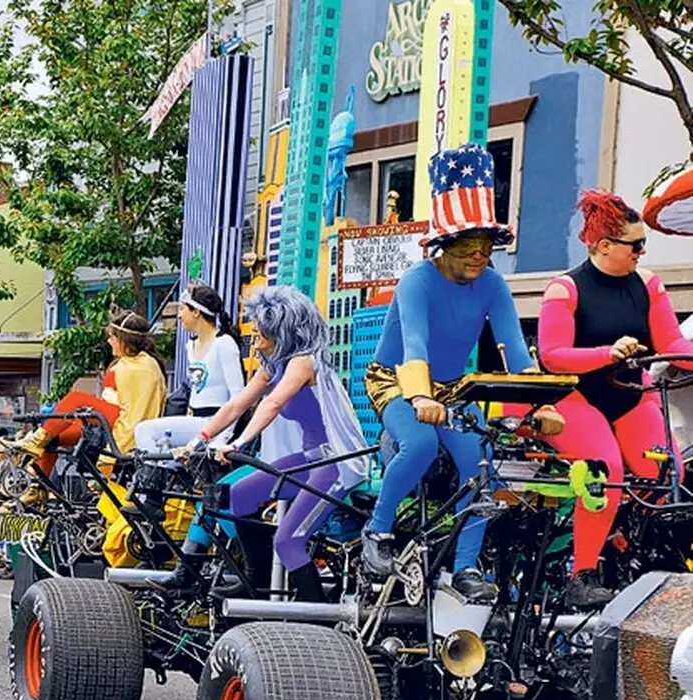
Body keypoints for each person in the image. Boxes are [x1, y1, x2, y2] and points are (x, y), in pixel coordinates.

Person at [358, 142, 563, 602]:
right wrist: (418, 398)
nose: (479, 257)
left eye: (486, 248)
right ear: (444, 246)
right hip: (397, 378)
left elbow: (517, 352)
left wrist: (543, 405)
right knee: (420, 442)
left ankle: (466, 566)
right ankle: (377, 531)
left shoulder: (493, 284)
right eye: (469, 247)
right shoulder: (416, 281)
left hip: (450, 388)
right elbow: (415, 344)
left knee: (482, 463)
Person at [155, 287, 367, 599]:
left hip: (335, 463)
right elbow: (235, 405)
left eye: (259, 333)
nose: (253, 340)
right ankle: (256, 580)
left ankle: (316, 618)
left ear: (280, 330)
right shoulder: (273, 366)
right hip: (310, 458)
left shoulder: (303, 362)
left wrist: (238, 443)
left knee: (288, 539)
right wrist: (199, 440)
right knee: (238, 497)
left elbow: (272, 405)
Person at [536, 189, 693, 606]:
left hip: (629, 393)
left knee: (667, 472)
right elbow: (552, 357)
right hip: (574, 397)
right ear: (604, 246)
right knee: (603, 472)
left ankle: (638, 552)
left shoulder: (648, 285)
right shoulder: (564, 289)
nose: (643, 252)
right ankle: (580, 574)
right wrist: (608, 352)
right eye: (636, 245)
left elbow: (672, 343)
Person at [13, 311, 167, 476]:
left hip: (122, 423)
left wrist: (112, 454)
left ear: (123, 340)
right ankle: (37, 487)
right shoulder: (134, 363)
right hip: (111, 420)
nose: (109, 341)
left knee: (76, 398)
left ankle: (35, 440)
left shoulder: (137, 368)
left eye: (112, 337)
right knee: (56, 435)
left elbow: (135, 414)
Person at [135, 285, 246, 451]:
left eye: (182, 309)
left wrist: (223, 438)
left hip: (214, 422)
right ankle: (166, 469)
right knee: (154, 442)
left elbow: (238, 397)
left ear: (196, 312)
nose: (179, 315)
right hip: (195, 420)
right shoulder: (191, 345)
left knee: (144, 430)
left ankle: (162, 470)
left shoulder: (224, 344)